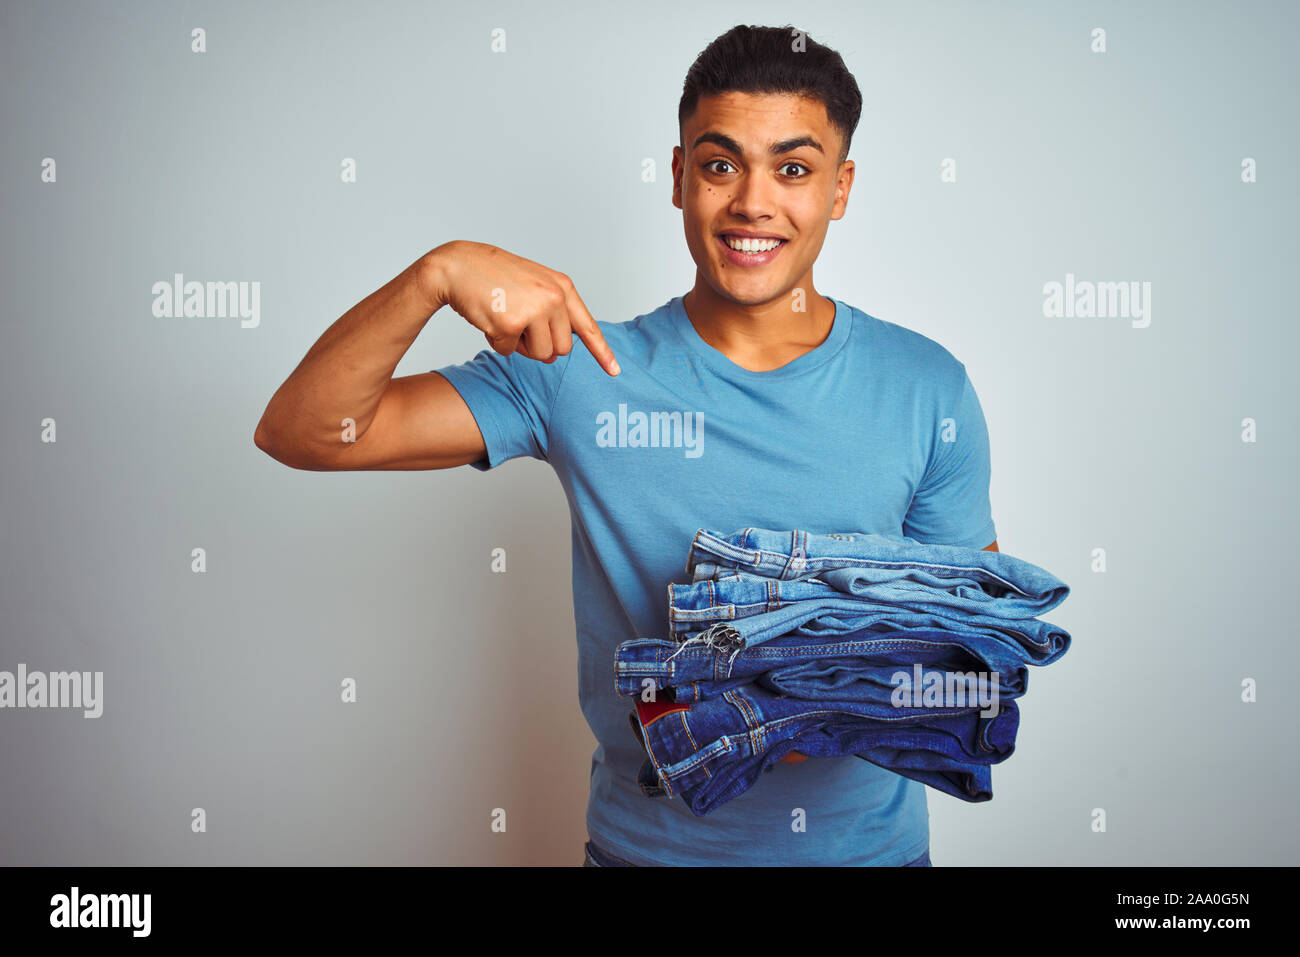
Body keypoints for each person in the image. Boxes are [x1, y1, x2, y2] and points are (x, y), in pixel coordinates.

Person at [254, 23, 998, 867]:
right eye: (721, 164)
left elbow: (979, 654)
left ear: (840, 187)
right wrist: (438, 273)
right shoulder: (575, 370)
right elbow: (301, 430)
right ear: (680, 178)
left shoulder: (925, 386)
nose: (754, 201)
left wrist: (809, 696)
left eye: (793, 168)